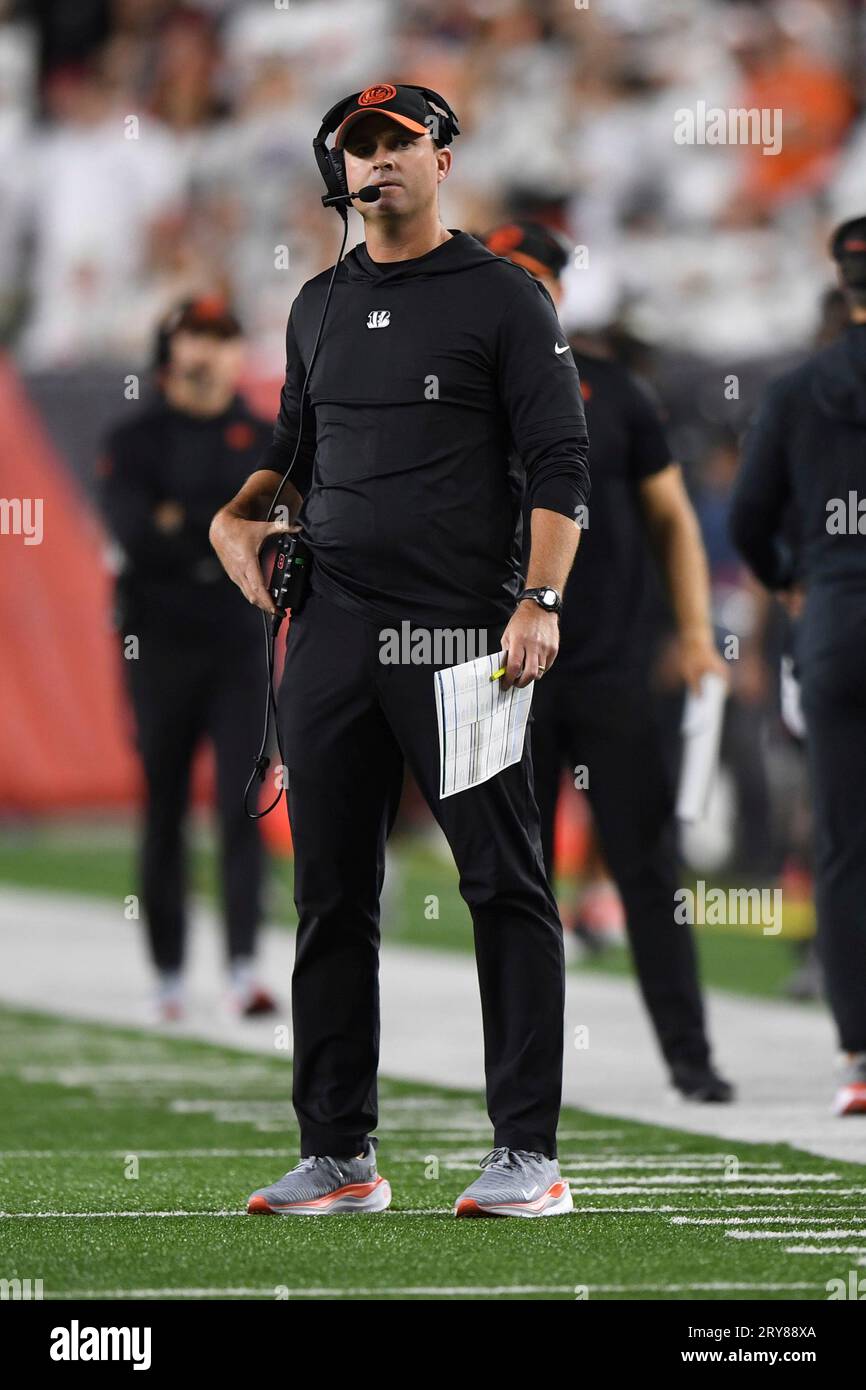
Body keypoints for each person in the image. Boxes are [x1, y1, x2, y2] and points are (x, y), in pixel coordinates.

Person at [209, 84, 590, 1217]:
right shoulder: (317, 303)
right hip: (328, 631)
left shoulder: (505, 298)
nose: (375, 162)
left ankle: (527, 1150)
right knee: (330, 893)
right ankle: (339, 1152)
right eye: (357, 147)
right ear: (340, 170)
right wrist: (242, 518)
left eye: (396, 143)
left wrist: (540, 602)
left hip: (463, 636)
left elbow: (561, 461)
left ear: (440, 159)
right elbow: (292, 453)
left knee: (501, 881)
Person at [482, 219, 734, 1103]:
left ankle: (691, 1057)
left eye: (534, 277)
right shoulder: (461, 391)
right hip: (506, 672)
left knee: (648, 867)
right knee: (517, 882)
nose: (522, 291)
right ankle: (521, 1088)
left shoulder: (614, 391)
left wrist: (698, 633)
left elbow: (673, 520)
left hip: (610, 669)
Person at [98, 297, 277, 1023]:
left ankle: (242, 966)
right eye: (197, 337)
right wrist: (221, 529)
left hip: (239, 636)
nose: (209, 352)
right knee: (165, 803)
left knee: (244, 802)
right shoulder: (137, 437)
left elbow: (272, 531)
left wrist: (194, 520)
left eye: (222, 337)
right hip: (160, 641)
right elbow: (139, 534)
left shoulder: (264, 436)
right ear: (171, 350)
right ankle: (169, 972)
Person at [730, 215, 866, 1116]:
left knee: (846, 845)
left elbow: (748, 519)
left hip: (838, 621)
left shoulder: (799, 387)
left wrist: (792, 582)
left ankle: (859, 1055)